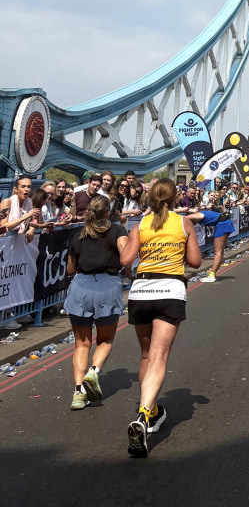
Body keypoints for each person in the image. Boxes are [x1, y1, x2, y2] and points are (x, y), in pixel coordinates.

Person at [120, 178, 202, 458]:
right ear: (175, 198)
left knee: (145, 356)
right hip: (169, 290)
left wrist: (137, 244)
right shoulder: (183, 224)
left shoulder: (141, 224)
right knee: (158, 358)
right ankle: (144, 415)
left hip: (141, 292)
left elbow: (126, 260)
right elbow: (195, 262)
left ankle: (152, 411)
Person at [63, 195, 128, 410]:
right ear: (108, 212)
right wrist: (130, 274)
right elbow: (125, 257)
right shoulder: (118, 231)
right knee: (105, 340)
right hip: (108, 287)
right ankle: (94, 372)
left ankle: (78, 393)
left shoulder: (78, 235)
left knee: (81, 344)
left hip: (81, 287)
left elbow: (70, 270)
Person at [199, 185, 236, 284]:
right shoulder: (211, 204)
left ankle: (212, 275)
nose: (215, 197)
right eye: (213, 195)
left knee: (218, 251)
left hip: (222, 224)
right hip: (225, 223)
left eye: (216, 195)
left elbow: (186, 218)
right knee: (220, 251)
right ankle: (213, 274)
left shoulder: (199, 213)